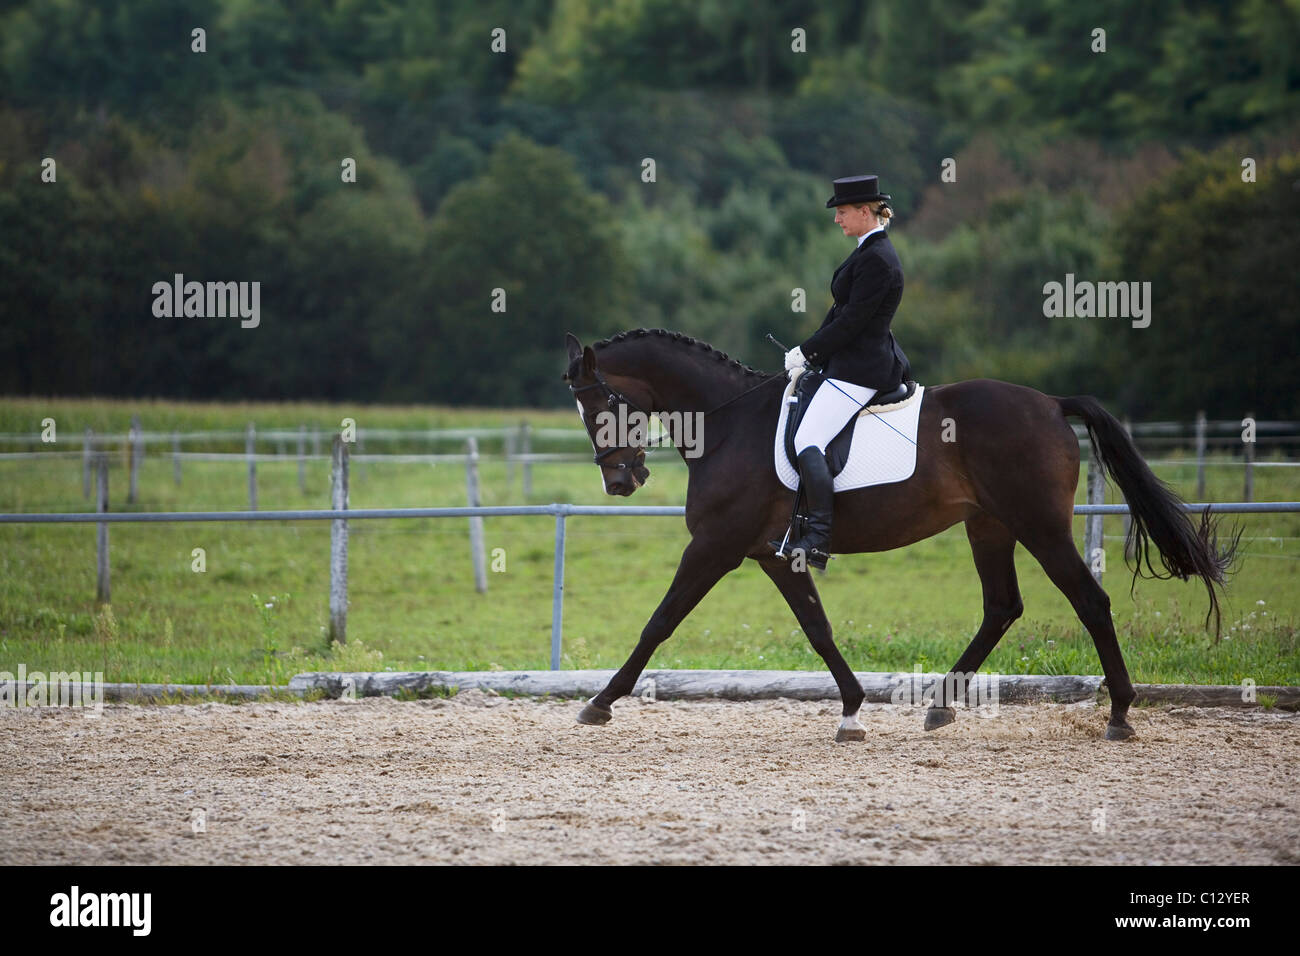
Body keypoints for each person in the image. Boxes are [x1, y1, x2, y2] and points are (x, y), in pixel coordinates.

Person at [770, 174, 911, 570]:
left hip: (861, 370)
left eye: (843, 212)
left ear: (866, 212)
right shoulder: (868, 252)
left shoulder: (879, 260)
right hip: (847, 363)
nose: (837, 220)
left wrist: (808, 350)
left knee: (807, 440)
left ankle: (817, 536)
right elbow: (841, 314)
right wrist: (809, 350)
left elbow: (852, 322)